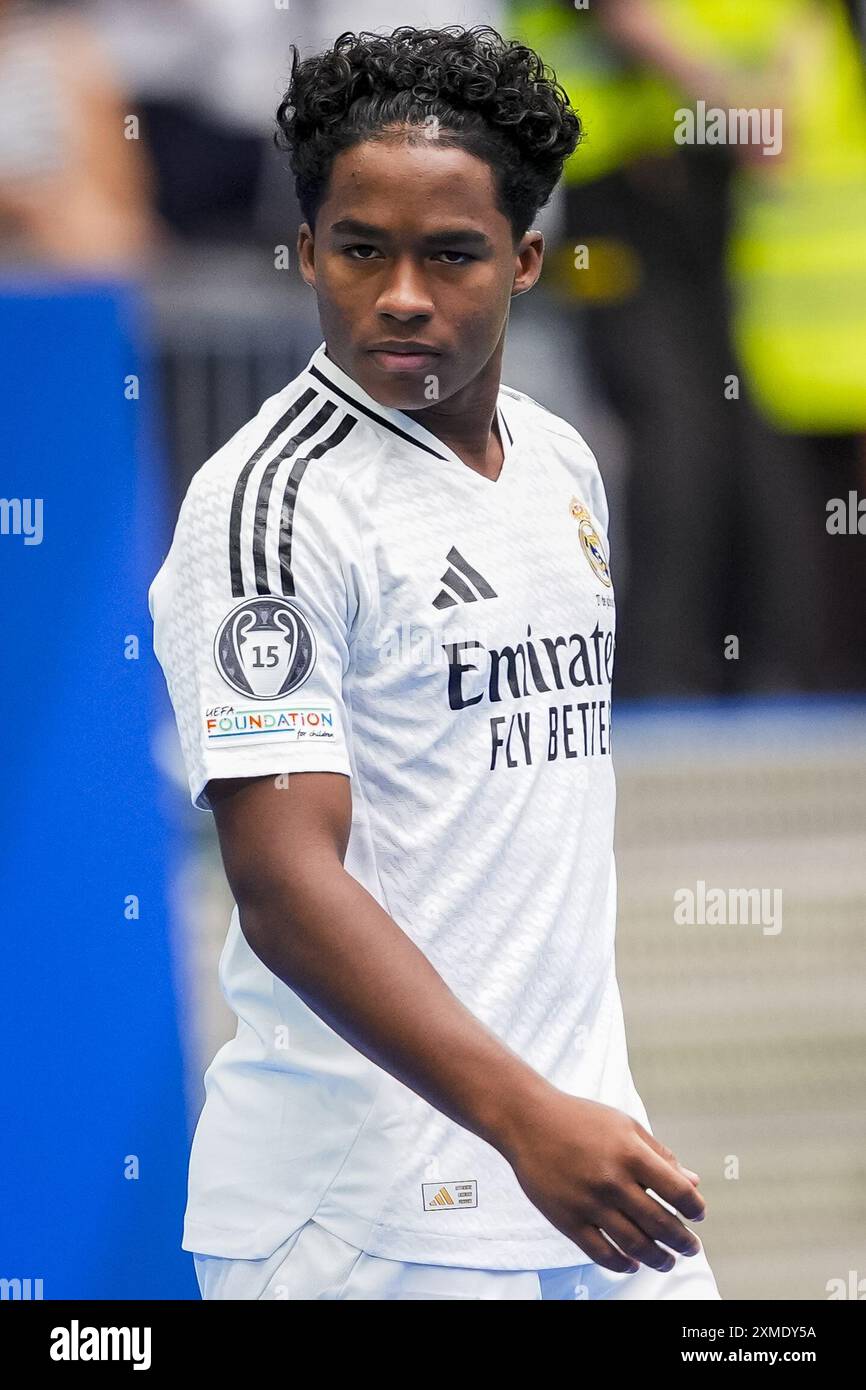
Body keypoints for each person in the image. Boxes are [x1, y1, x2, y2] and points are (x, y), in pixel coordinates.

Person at [149, 24, 721, 1301]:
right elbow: (287, 883)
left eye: (450, 254)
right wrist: (518, 1116)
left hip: (579, 1171)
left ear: (522, 261)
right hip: (365, 1219)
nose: (400, 292)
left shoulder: (560, 459)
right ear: (305, 252)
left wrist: (553, 1118)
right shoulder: (269, 509)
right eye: (360, 249)